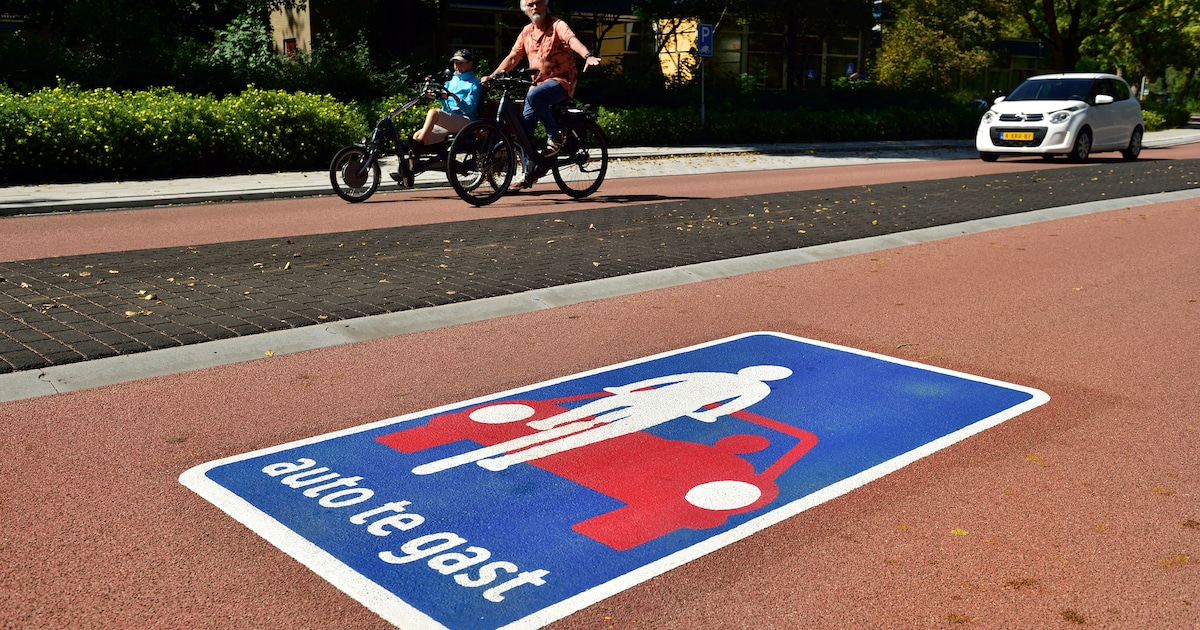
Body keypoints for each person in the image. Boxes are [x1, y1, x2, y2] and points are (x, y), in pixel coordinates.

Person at [483, 0, 601, 188]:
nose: (534, 7)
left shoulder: (557, 25)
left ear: (545, 5)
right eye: (530, 4)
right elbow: (514, 56)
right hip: (536, 87)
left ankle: (555, 136)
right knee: (523, 129)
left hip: (561, 81)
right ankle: (528, 173)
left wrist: (587, 56)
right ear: (525, 9)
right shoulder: (526, 31)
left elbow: (572, 40)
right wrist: (493, 75)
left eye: (538, 3)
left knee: (534, 96)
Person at [393, 49, 482, 185]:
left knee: (434, 113)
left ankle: (416, 153)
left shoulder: (474, 83)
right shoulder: (451, 81)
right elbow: (444, 99)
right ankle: (409, 172)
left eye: (461, 63)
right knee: (417, 135)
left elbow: (470, 107)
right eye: (455, 63)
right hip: (450, 121)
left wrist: (454, 96)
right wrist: (434, 96)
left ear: (470, 64)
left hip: (466, 121)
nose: (457, 66)